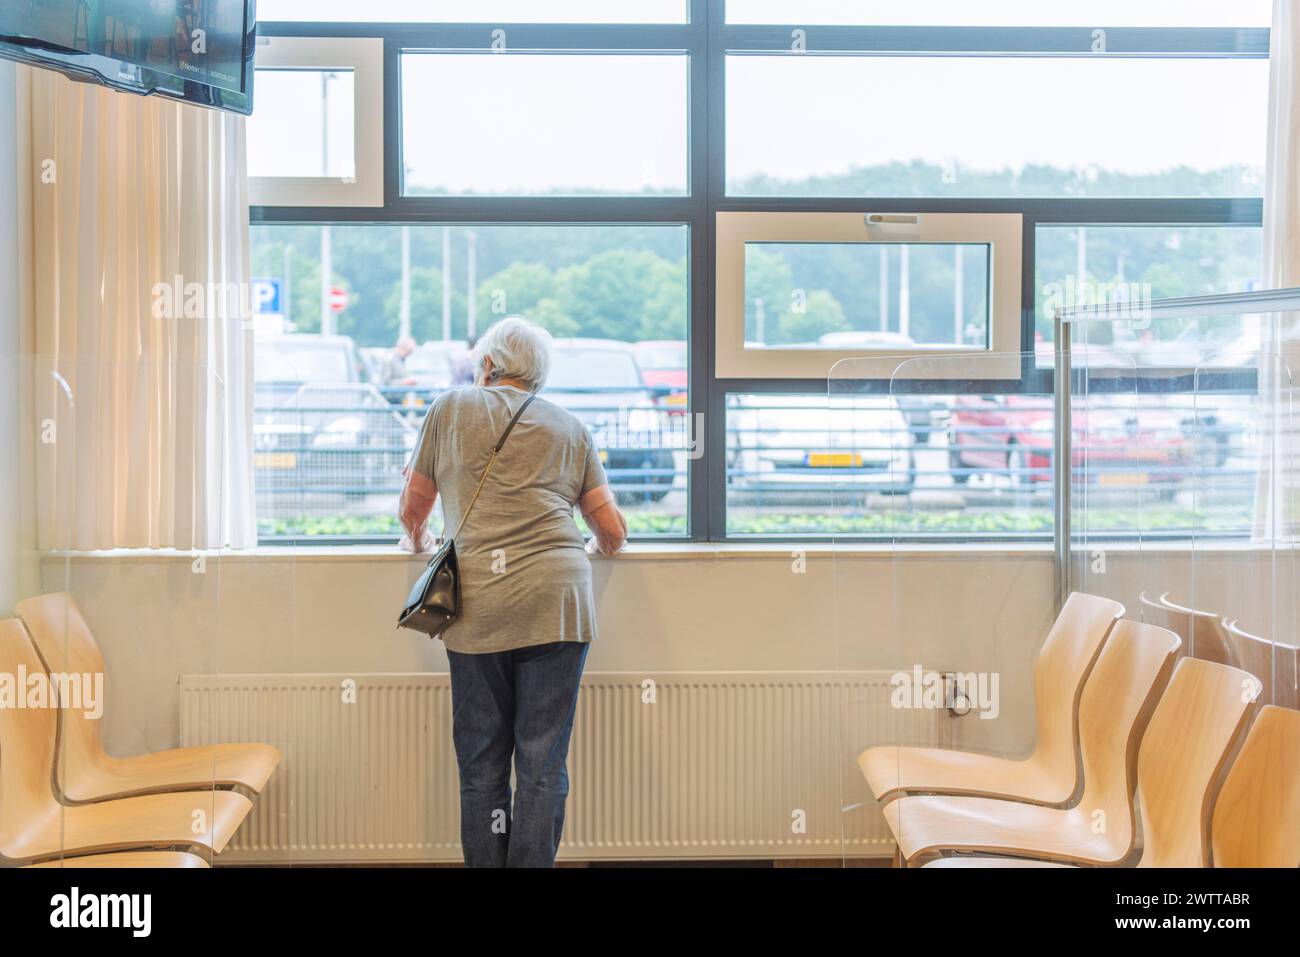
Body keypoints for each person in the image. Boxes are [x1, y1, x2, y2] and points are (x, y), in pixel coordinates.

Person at [398, 315, 628, 868]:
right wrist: (598, 544)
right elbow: (611, 531)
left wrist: (419, 538)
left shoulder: (449, 410)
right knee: (542, 765)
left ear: (486, 363)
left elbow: (413, 507)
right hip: (557, 603)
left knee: (481, 766)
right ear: (540, 376)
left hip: (477, 607)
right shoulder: (570, 428)